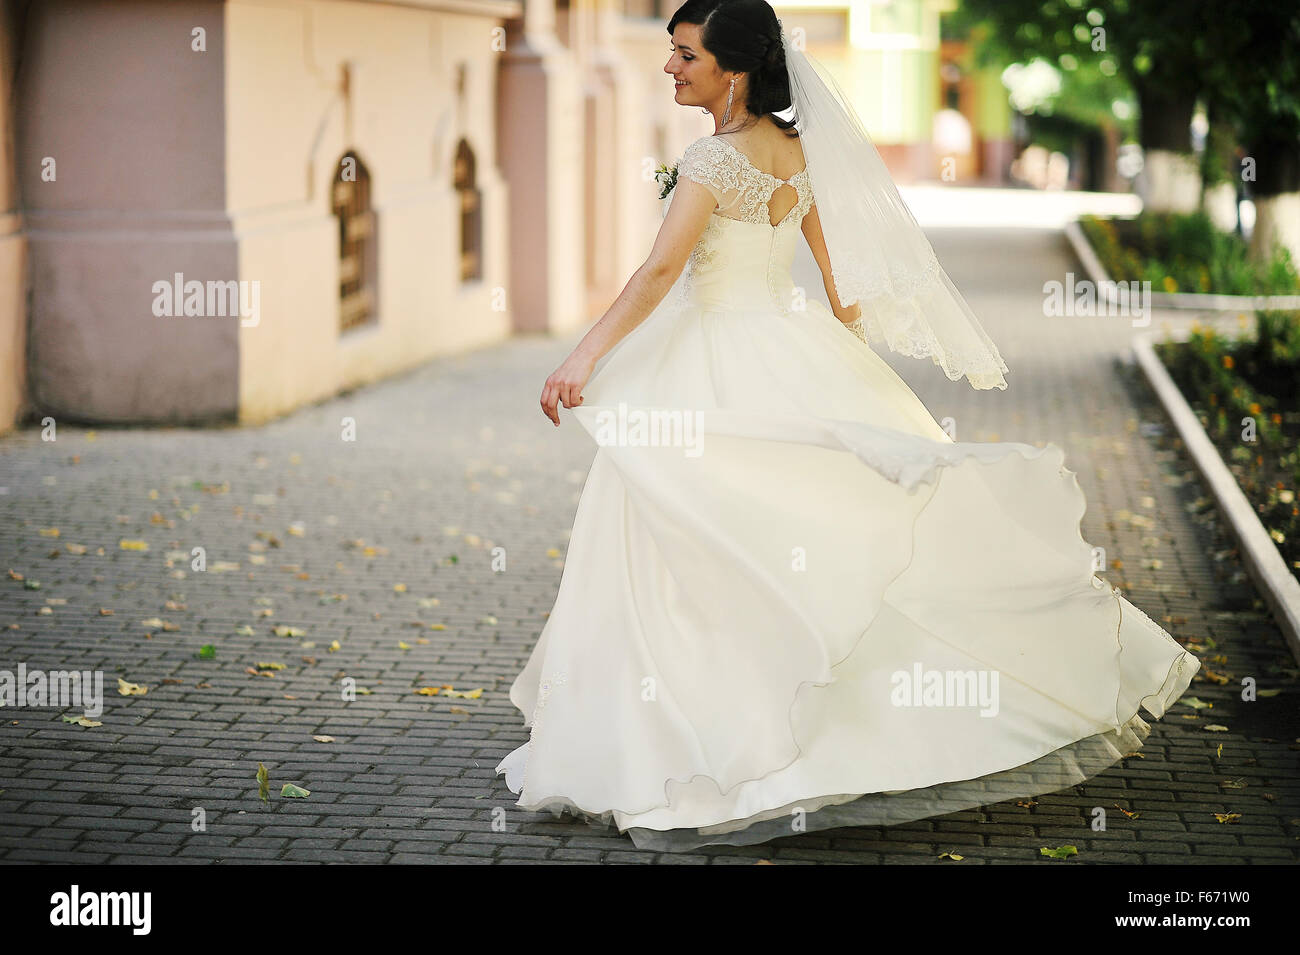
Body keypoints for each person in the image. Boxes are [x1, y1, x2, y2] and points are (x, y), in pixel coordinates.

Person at [496, 0, 1198, 853]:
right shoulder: (802, 152)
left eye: (685, 55)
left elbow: (657, 274)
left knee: (684, 531)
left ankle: (684, 736)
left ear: (734, 70)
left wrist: (582, 358)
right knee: (759, 533)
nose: (670, 68)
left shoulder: (712, 157)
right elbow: (839, 285)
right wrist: (849, 381)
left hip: (711, 357)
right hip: (786, 343)